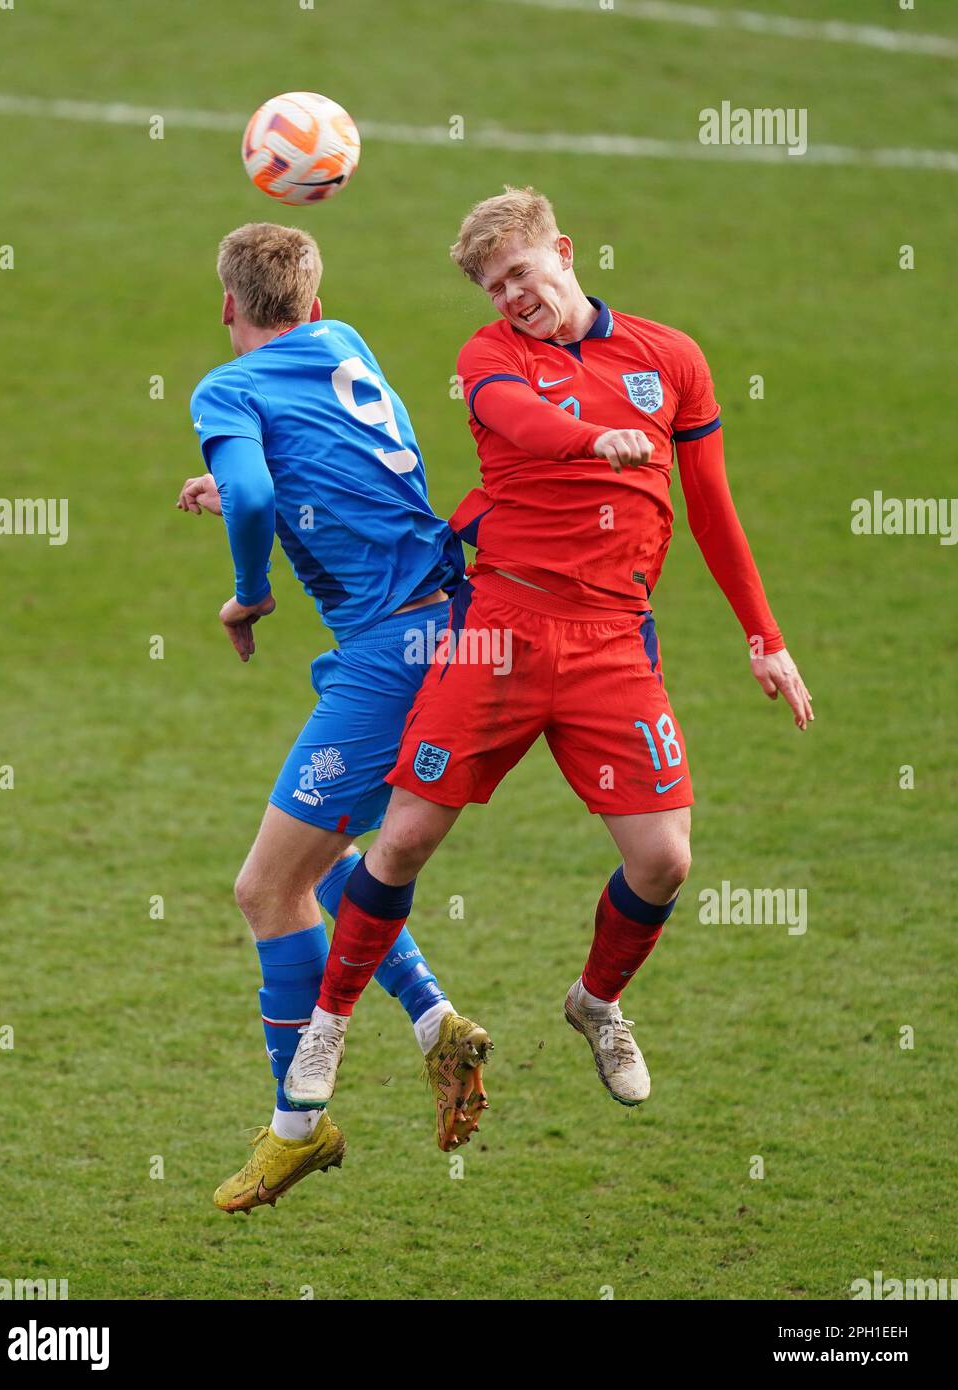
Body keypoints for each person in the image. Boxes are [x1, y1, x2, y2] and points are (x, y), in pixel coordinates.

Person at [287, 186, 813, 1123]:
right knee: (404, 838)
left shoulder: (671, 359)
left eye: (520, 274)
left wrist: (765, 640)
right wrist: (590, 438)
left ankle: (597, 1003)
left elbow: (713, 508)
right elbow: (519, 420)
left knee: (664, 859)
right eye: (493, 287)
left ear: (564, 252)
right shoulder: (490, 356)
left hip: (613, 639)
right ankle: (330, 1021)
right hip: (502, 627)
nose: (510, 298)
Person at [181, 221, 490, 1211]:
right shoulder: (346, 343)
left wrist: (247, 588)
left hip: (388, 655)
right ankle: (436, 1023)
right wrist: (232, 488)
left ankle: (298, 1130)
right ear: (313, 302)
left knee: (267, 890)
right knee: (329, 859)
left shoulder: (225, 389)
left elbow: (259, 489)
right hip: (454, 624)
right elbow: (325, 461)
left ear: (227, 306)